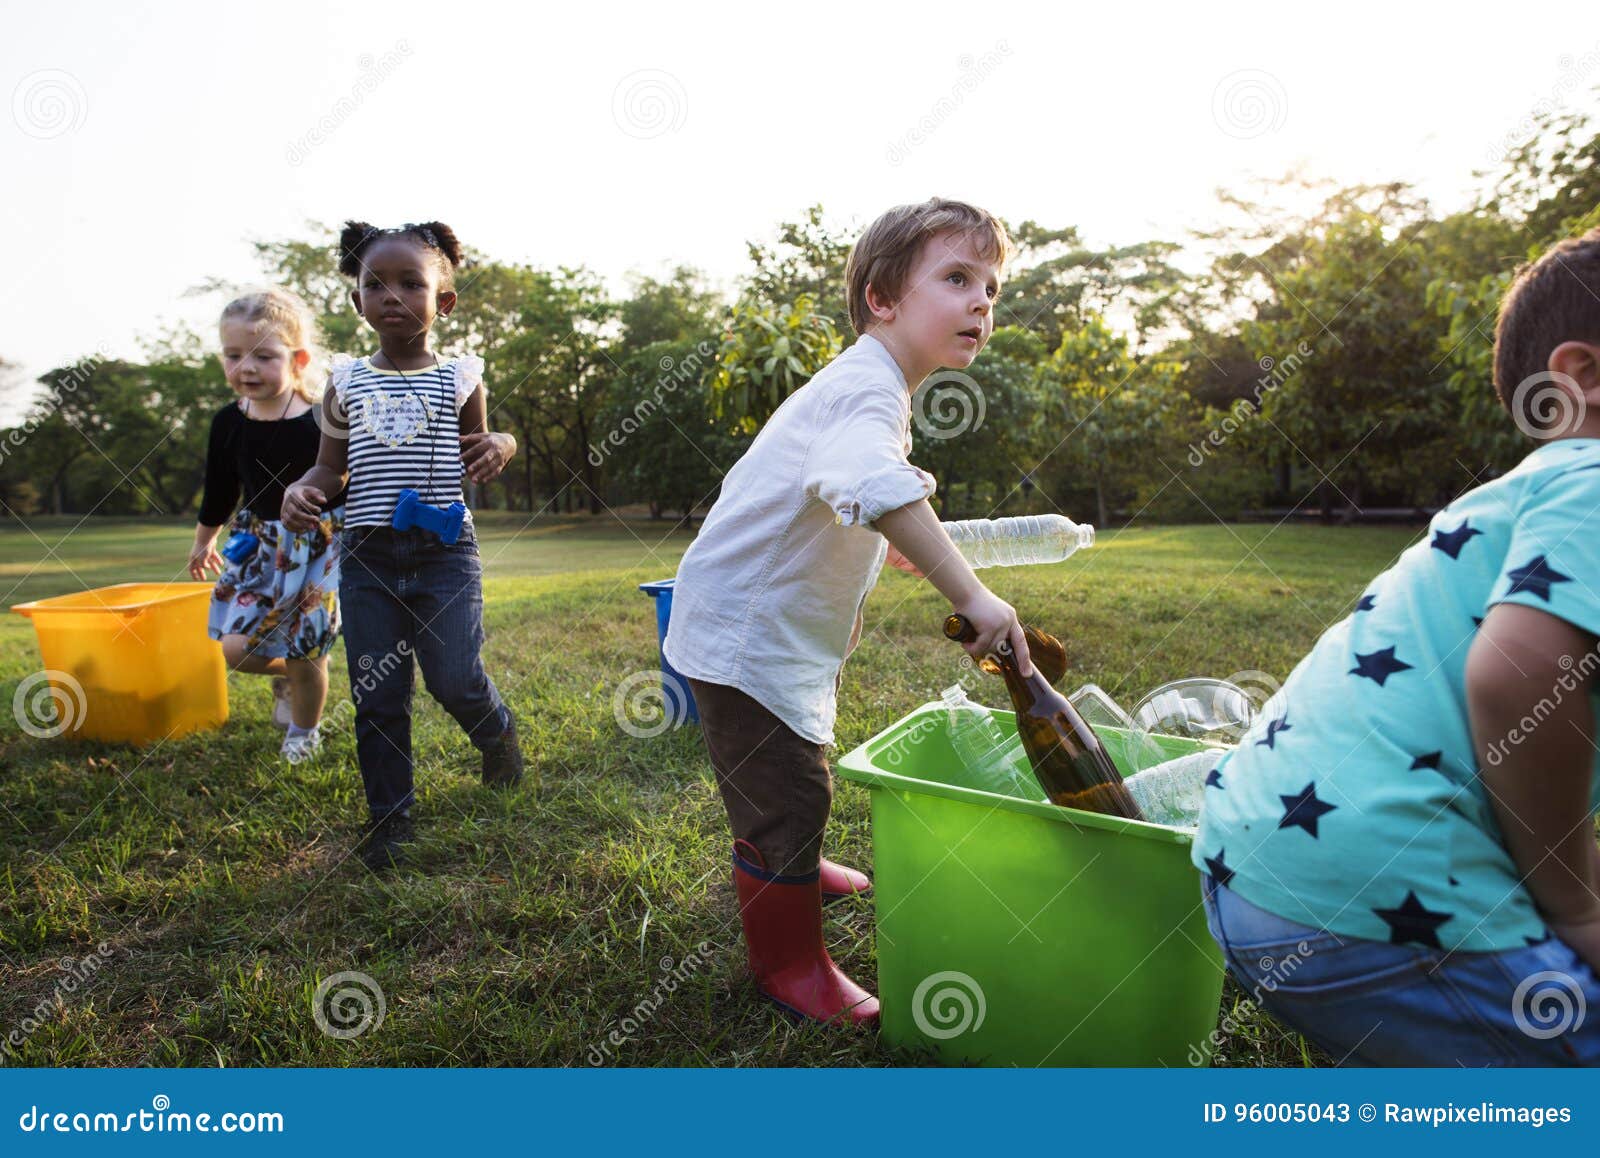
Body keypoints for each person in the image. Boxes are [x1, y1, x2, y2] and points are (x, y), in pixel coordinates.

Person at [1194, 228, 1600, 1065]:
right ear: (1584, 376)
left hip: (1259, 873)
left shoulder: (1523, 496)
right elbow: (1521, 674)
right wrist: (1577, 906)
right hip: (1375, 901)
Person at [664, 197, 1036, 1025]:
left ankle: (796, 862)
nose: (982, 301)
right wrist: (972, 595)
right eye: (956, 277)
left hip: (758, 629)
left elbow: (848, 496)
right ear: (882, 298)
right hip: (745, 636)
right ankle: (788, 961)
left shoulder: (867, 387)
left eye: (993, 287)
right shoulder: (866, 394)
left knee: (790, 760)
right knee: (787, 789)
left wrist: (887, 540)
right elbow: (869, 478)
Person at [281, 220, 523, 873]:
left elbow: (489, 442)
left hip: (445, 554)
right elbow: (330, 470)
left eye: (410, 283)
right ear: (358, 303)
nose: (392, 295)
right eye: (375, 285)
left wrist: (500, 445)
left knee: (453, 676)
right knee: (377, 690)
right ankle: (390, 818)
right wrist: (302, 491)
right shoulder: (346, 382)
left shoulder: (461, 377)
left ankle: (497, 732)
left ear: (441, 300)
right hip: (368, 555)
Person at [192, 289, 341, 764]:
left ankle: (303, 730)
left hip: (318, 546)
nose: (246, 368)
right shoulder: (227, 422)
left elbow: (346, 481)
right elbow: (219, 490)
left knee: (305, 648)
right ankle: (298, 677)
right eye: (234, 356)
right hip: (259, 546)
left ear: (297, 359)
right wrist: (204, 541)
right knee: (236, 649)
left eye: (263, 356)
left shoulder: (321, 418)